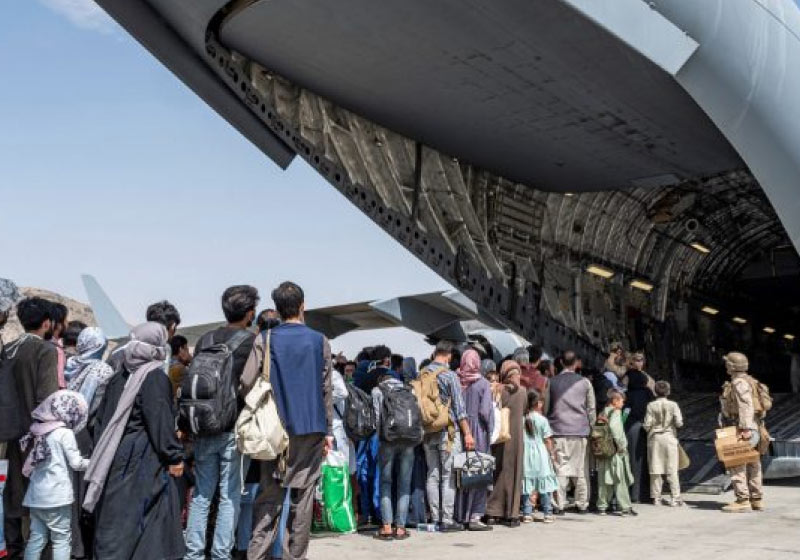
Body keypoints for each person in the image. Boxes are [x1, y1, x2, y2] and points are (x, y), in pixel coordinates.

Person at [241, 282, 333, 560]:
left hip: (273, 430)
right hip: (311, 427)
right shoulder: (320, 341)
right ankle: (296, 555)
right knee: (303, 498)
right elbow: (326, 388)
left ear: (278, 310)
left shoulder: (265, 339)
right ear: (303, 306)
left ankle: (257, 554)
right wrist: (328, 430)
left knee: (269, 498)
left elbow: (246, 381)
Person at [86, 322, 185, 559]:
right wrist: (174, 456)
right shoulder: (154, 377)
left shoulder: (119, 376)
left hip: (113, 455)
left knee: (117, 519)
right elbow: (160, 421)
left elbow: (101, 421)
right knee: (139, 521)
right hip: (142, 460)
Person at [184, 286, 259, 560]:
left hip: (204, 427)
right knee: (230, 497)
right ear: (250, 312)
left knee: (202, 495)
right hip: (233, 428)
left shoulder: (206, 339)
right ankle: (220, 554)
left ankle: (193, 554)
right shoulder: (251, 342)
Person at [2, 297, 59, 560]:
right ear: (47, 323)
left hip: (9, 433)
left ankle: (12, 549)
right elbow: (47, 399)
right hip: (34, 435)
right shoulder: (45, 351)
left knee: (11, 494)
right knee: (36, 498)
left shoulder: (9, 348)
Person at [63, 327, 114, 559]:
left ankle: (69, 544)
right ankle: (81, 547)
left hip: (65, 432)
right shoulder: (102, 370)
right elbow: (95, 407)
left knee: (69, 491)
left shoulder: (70, 365)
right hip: (87, 435)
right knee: (85, 493)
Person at [21, 391, 90, 560]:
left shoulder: (39, 430)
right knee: (61, 539)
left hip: (37, 496)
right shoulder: (64, 433)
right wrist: (94, 462)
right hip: (57, 497)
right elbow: (76, 463)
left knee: (36, 538)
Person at [419, 341, 475, 532]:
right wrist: (467, 433)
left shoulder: (422, 374)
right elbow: (459, 409)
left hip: (427, 432)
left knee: (432, 475)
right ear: (449, 355)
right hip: (447, 432)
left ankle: (435, 518)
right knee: (448, 476)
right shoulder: (450, 376)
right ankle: (447, 519)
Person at [371, 364, 416, 541]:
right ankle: (401, 528)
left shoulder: (377, 391)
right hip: (409, 440)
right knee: (404, 483)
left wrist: (380, 438)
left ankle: (387, 527)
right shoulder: (409, 390)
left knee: (385, 482)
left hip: (387, 440)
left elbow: (377, 419)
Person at [547, 350, 595, 514]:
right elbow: (591, 409)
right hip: (580, 431)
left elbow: (547, 407)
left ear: (561, 362)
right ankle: (582, 504)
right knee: (580, 469)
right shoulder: (585, 383)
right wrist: (591, 428)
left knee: (560, 469)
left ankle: (558, 504)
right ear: (576, 364)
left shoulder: (552, 382)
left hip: (558, 430)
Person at [719, 352, 765, 513]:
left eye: (727, 363)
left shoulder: (739, 383)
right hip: (755, 427)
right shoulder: (751, 381)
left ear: (732, 366)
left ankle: (743, 500)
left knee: (737, 464)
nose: (726, 366)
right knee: (753, 464)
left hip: (743, 429)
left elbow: (746, 405)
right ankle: (756, 499)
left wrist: (744, 428)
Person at [455, 349, 494, 531]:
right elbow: (485, 412)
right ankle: (474, 516)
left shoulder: (457, 380)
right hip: (478, 430)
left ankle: (460, 514)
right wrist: (490, 430)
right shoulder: (483, 384)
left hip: (460, 430)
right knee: (478, 471)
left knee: (461, 472)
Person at [486, 360, 526, 527]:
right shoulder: (522, 391)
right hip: (516, 439)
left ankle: (493, 512)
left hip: (500, 437)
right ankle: (512, 514)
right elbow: (524, 410)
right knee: (515, 474)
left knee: (498, 473)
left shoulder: (497, 390)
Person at [643, 381, 683, 506]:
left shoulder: (651, 405)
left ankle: (656, 497)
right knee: (672, 468)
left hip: (655, 439)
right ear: (668, 391)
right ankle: (675, 497)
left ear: (655, 392)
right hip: (669, 437)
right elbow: (679, 423)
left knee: (655, 468)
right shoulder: (673, 405)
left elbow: (647, 424)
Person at [596, 391, 636, 516]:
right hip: (615, 450)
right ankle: (625, 507)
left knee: (604, 479)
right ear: (615, 401)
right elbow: (615, 429)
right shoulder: (616, 412)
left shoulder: (603, 412)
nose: (623, 404)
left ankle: (602, 506)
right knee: (620, 479)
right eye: (622, 401)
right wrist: (620, 446)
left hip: (604, 449)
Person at [521, 390, 558, 524]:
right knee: (544, 482)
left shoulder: (522, 419)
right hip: (540, 452)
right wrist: (552, 454)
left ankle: (527, 513)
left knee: (527, 482)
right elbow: (547, 440)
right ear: (538, 403)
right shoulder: (542, 420)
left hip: (526, 453)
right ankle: (547, 513)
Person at [622, 352, 654, 503]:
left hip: (630, 429)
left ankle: (633, 493)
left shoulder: (628, 395)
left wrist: (622, 423)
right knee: (646, 460)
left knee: (632, 460)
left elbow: (625, 412)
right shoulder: (648, 393)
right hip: (646, 428)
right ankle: (645, 493)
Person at [46, 303, 69, 389]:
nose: (67, 324)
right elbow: (60, 384)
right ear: (58, 324)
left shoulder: (42, 343)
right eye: (65, 320)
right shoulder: (57, 350)